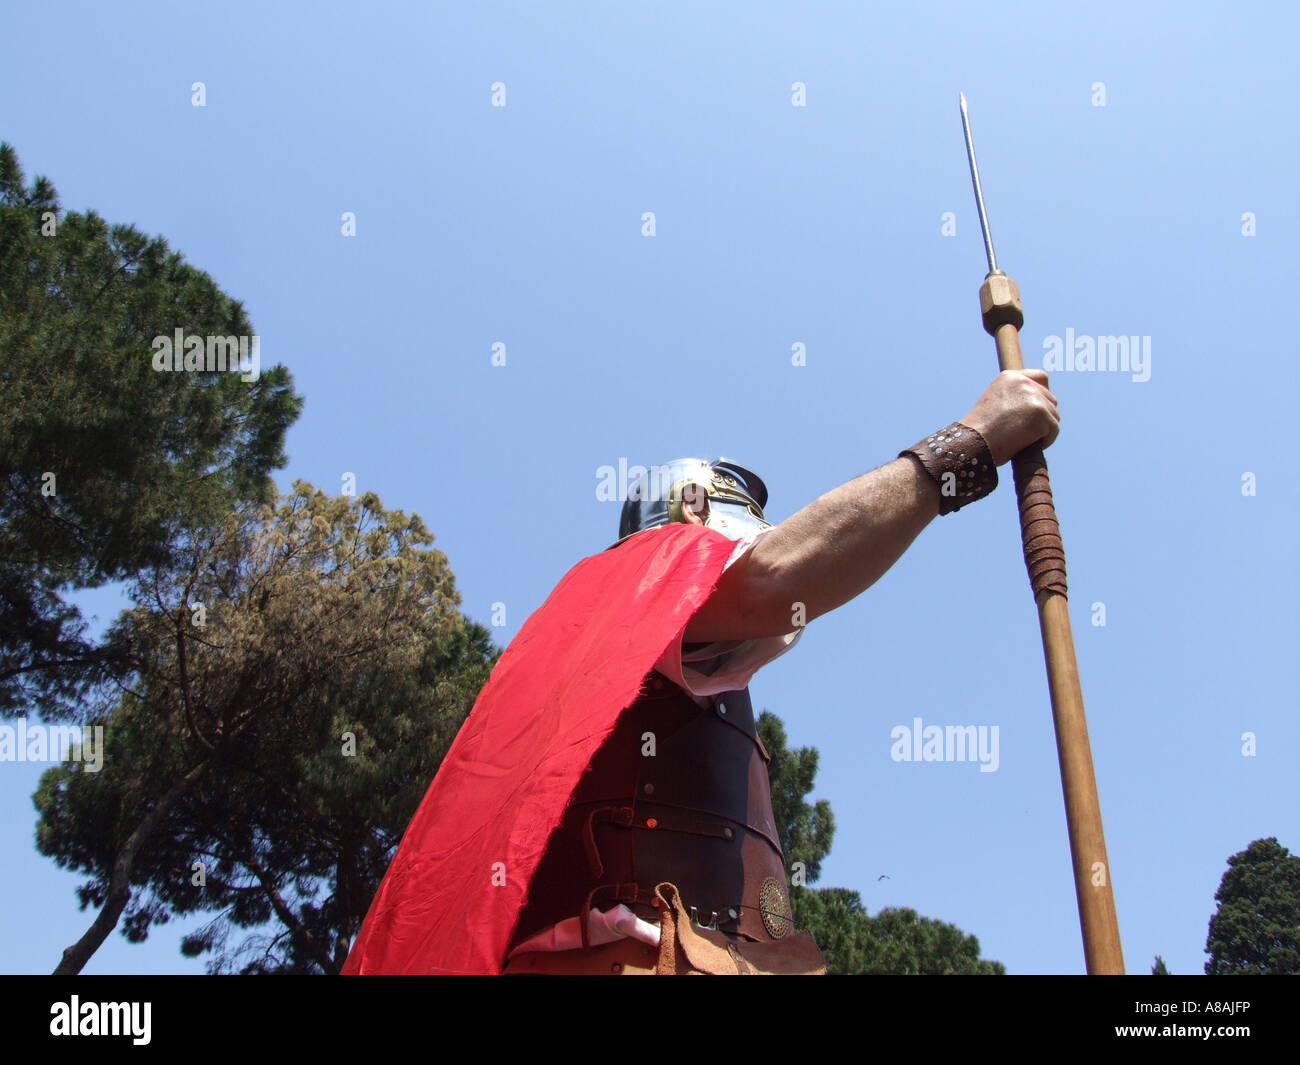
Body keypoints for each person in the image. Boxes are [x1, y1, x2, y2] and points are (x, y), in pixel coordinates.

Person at [342, 369, 1059, 975]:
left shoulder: (626, 641)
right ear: (692, 511)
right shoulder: (641, 581)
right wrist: (971, 443)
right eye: (742, 522)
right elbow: (775, 579)